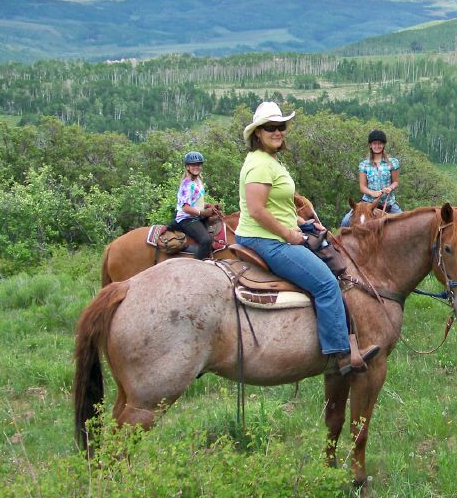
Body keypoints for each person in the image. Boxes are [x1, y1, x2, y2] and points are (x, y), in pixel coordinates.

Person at [235, 101, 378, 375]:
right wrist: (290, 234)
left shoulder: (270, 160)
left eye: (281, 126)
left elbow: (278, 204)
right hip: (266, 240)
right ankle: (341, 355)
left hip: (271, 233)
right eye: (270, 128)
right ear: (257, 133)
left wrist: (301, 222)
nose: (278, 132)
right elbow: (256, 209)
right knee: (325, 283)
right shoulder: (260, 165)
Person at [340, 129, 402, 227]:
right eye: (374, 143)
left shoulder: (392, 162)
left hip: (388, 202)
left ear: (384, 145)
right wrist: (372, 193)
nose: (377, 146)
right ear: (370, 145)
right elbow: (362, 187)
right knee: (345, 222)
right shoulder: (364, 165)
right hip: (367, 203)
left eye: (380, 143)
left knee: (403, 222)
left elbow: (395, 182)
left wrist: (390, 188)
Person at [167, 150, 216, 259]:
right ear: (188, 167)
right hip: (187, 219)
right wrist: (202, 212)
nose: (196, 167)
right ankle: (197, 265)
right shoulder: (186, 184)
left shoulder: (198, 179)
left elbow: (195, 201)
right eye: (193, 164)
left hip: (196, 216)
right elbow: (185, 208)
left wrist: (208, 205)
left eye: (198, 164)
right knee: (206, 240)